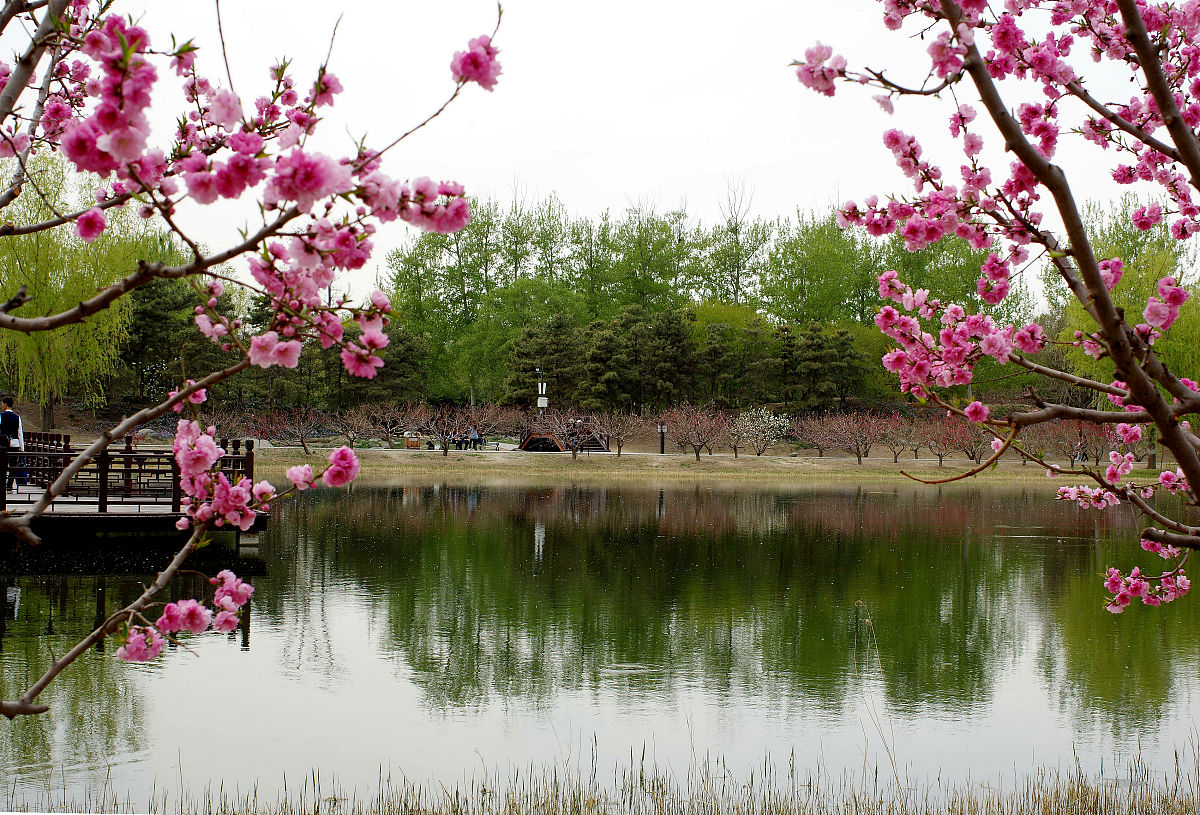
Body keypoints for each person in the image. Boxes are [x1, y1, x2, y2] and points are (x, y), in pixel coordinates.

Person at [0, 397, 24, 491]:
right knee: (13, 465)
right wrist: (22, 448)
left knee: (2, 465)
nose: (2, 405)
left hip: (2, 444)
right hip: (14, 443)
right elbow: (20, 433)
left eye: (2, 403)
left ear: (6, 404)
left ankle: (2, 485)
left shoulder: (1, 416)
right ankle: (9, 485)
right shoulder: (17, 417)